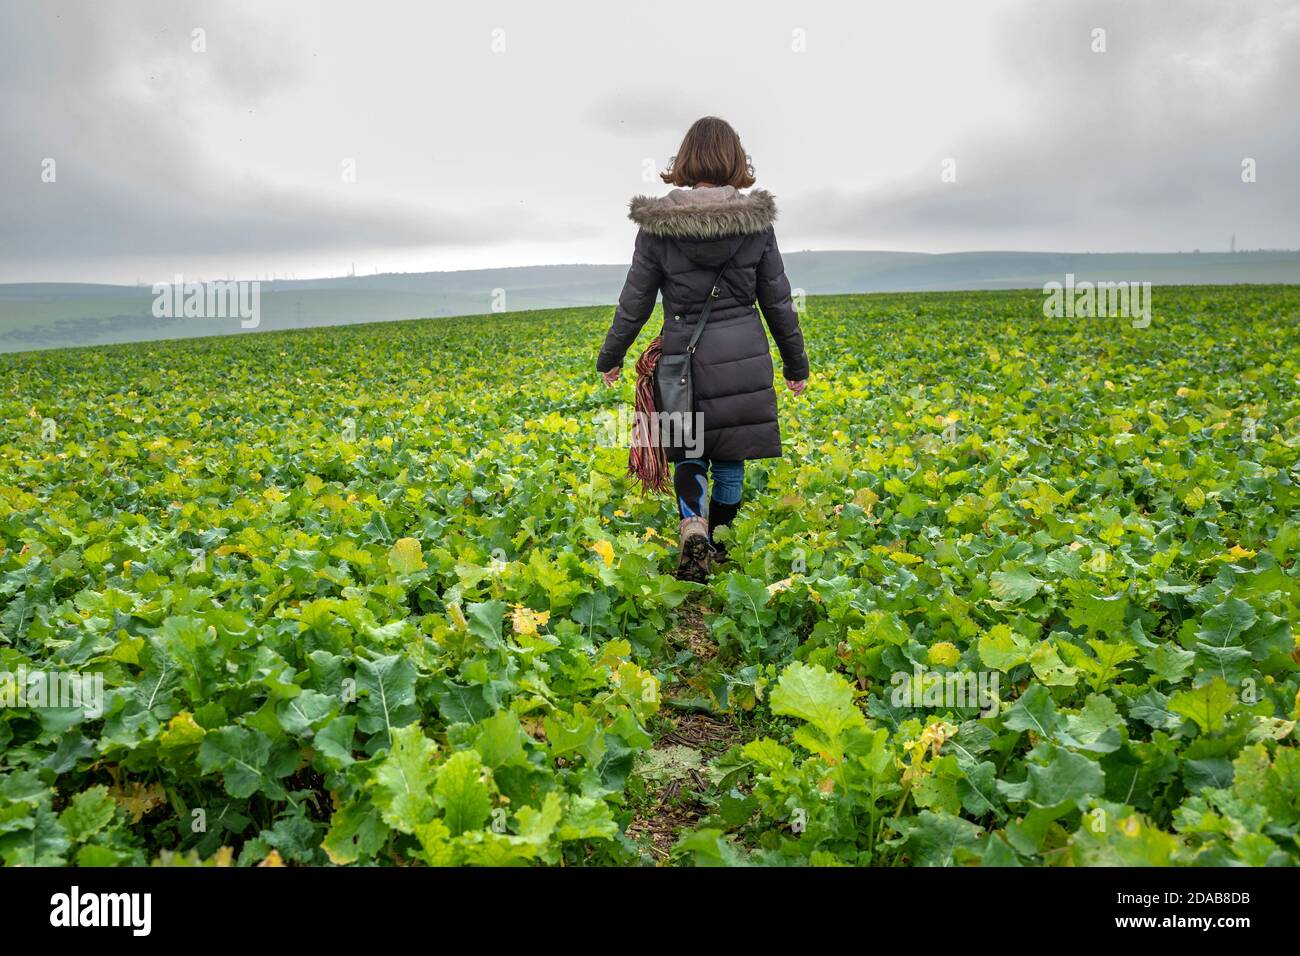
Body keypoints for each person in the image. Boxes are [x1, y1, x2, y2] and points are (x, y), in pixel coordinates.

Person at [596, 116, 809, 582]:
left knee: (689, 449)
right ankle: (720, 542)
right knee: (731, 458)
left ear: (685, 161)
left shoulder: (657, 228)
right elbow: (777, 299)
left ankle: (692, 526)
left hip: (681, 361)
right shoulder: (756, 224)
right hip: (743, 362)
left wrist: (610, 356)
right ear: (736, 161)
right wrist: (797, 363)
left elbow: (635, 301)